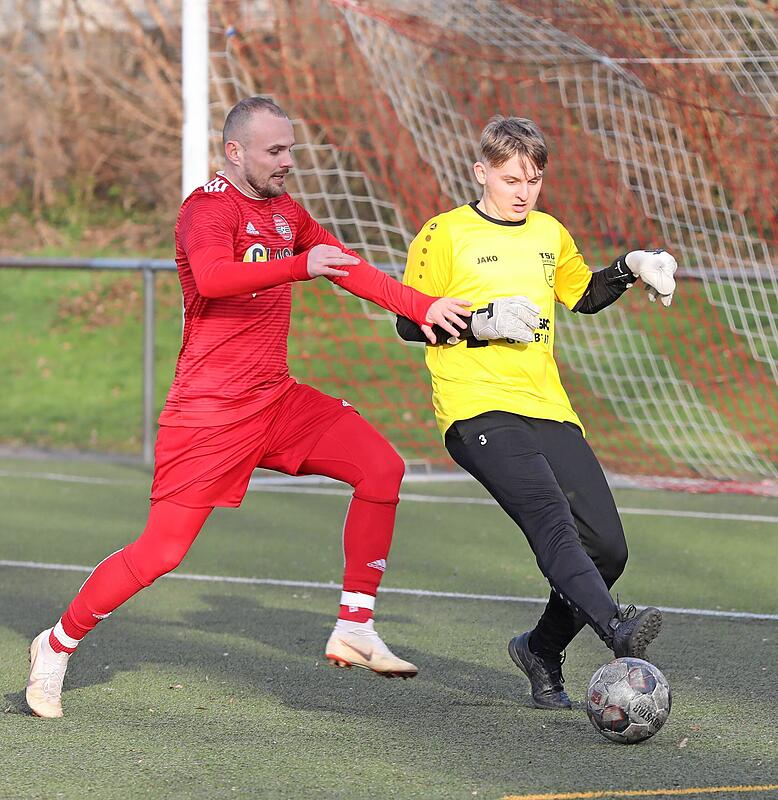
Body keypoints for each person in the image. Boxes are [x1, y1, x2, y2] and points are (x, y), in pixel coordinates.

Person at [25, 96, 472, 718]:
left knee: (381, 468)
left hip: (276, 400)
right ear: (235, 152)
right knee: (162, 552)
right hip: (208, 411)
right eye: (275, 151)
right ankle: (55, 644)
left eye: (290, 149)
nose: (287, 162)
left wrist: (420, 307)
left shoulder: (285, 211)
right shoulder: (205, 210)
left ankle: (355, 625)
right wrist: (298, 267)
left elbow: (345, 267)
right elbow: (211, 278)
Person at [396, 115, 677, 710]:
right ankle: (617, 630)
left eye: (534, 179)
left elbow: (583, 295)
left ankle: (540, 648)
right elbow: (406, 320)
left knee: (607, 550)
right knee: (552, 518)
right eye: (510, 178)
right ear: (481, 173)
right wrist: (480, 323)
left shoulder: (548, 233)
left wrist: (629, 267)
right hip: (475, 409)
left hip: (547, 405)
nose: (523, 192)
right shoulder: (443, 234)